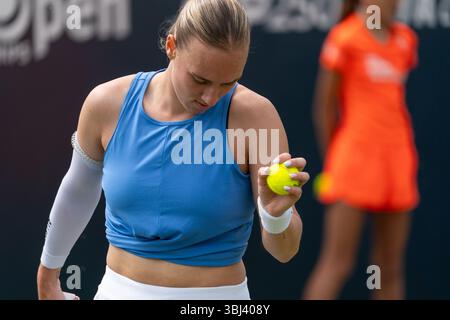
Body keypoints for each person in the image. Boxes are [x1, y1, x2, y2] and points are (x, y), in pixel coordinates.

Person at [37, 0, 310, 300]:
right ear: (171, 46)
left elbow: (285, 252)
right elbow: (77, 191)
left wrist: (274, 217)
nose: (211, 97)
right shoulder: (105, 103)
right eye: (200, 79)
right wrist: (48, 275)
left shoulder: (257, 117)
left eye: (228, 83)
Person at [303, 0, 419, 300]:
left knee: (389, 266)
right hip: (354, 161)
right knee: (338, 264)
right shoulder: (345, 38)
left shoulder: (405, 40)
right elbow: (324, 108)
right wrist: (335, 164)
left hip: (398, 157)